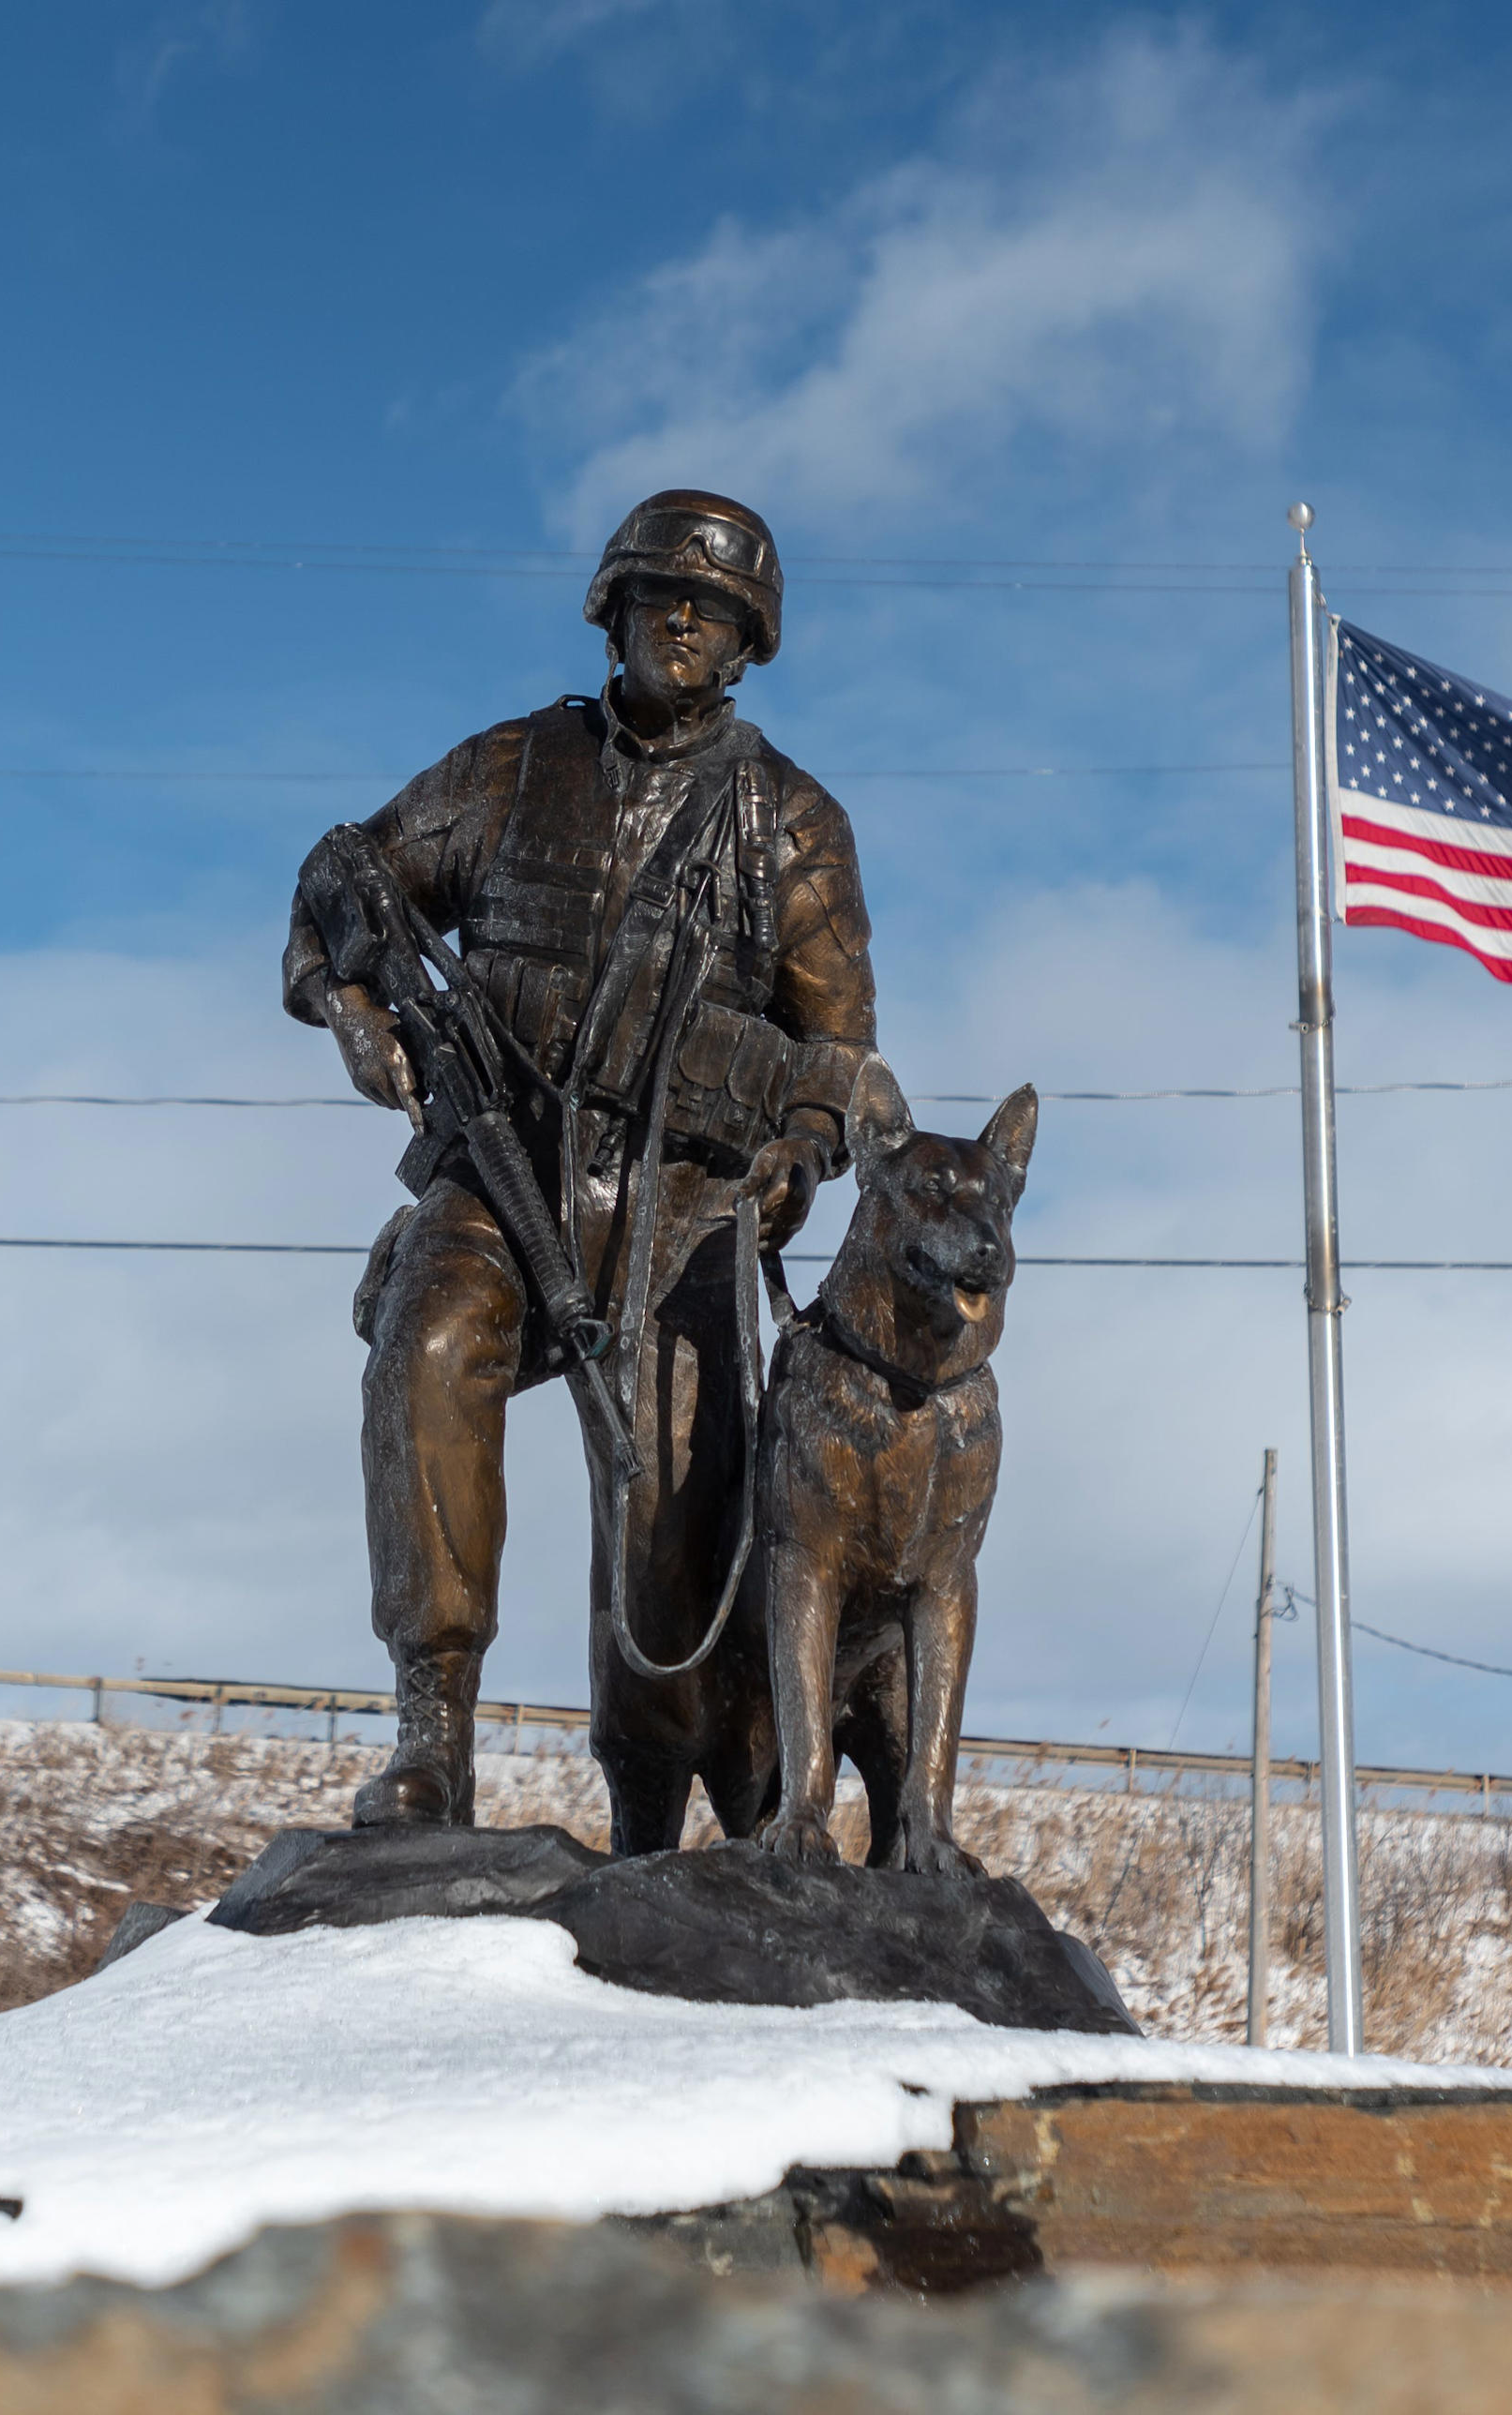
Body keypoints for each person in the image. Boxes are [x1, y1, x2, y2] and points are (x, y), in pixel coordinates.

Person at [280, 489, 876, 1840]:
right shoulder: (503, 770)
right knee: (425, 1351)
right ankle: (431, 1738)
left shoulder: (791, 821)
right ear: (613, 610)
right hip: (505, 1169)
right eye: (663, 595)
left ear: (747, 641)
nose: (684, 619)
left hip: (683, 1200)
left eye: (714, 609)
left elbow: (837, 1046)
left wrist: (803, 1146)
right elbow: (342, 887)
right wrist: (351, 1012)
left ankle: (652, 1818)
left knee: (672, 1502)